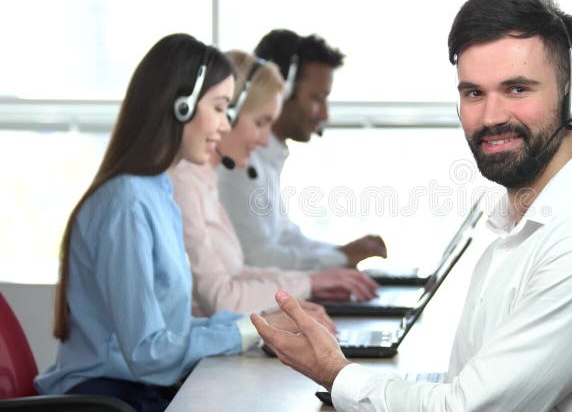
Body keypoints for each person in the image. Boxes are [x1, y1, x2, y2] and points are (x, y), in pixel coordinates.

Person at [250, 0, 572, 411]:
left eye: (517, 89)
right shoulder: (520, 231)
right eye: (473, 93)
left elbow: (469, 407)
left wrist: (335, 371)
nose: (491, 117)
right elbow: (470, 388)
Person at [34, 34, 311, 412]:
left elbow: (172, 330)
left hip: (136, 389)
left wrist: (260, 323)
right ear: (180, 107)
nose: (225, 125)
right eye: (219, 108)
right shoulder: (127, 203)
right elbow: (147, 351)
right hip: (106, 397)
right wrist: (249, 330)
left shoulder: (158, 193)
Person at [170, 50, 378, 315]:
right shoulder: (187, 184)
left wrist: (311, 283)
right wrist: (310, 283)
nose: (265, 140)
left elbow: (237, 273)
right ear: (228, 116)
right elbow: (223, 297)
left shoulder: (204, 182)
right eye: (261, 123)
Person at [217, 29, 387, 271]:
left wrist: (341, 253)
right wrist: (340, 259)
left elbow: (285, 237)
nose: (325, 114)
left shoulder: (267, 159)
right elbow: (259, 260)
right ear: (282, 90)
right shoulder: (237, 165)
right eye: (317, 98)